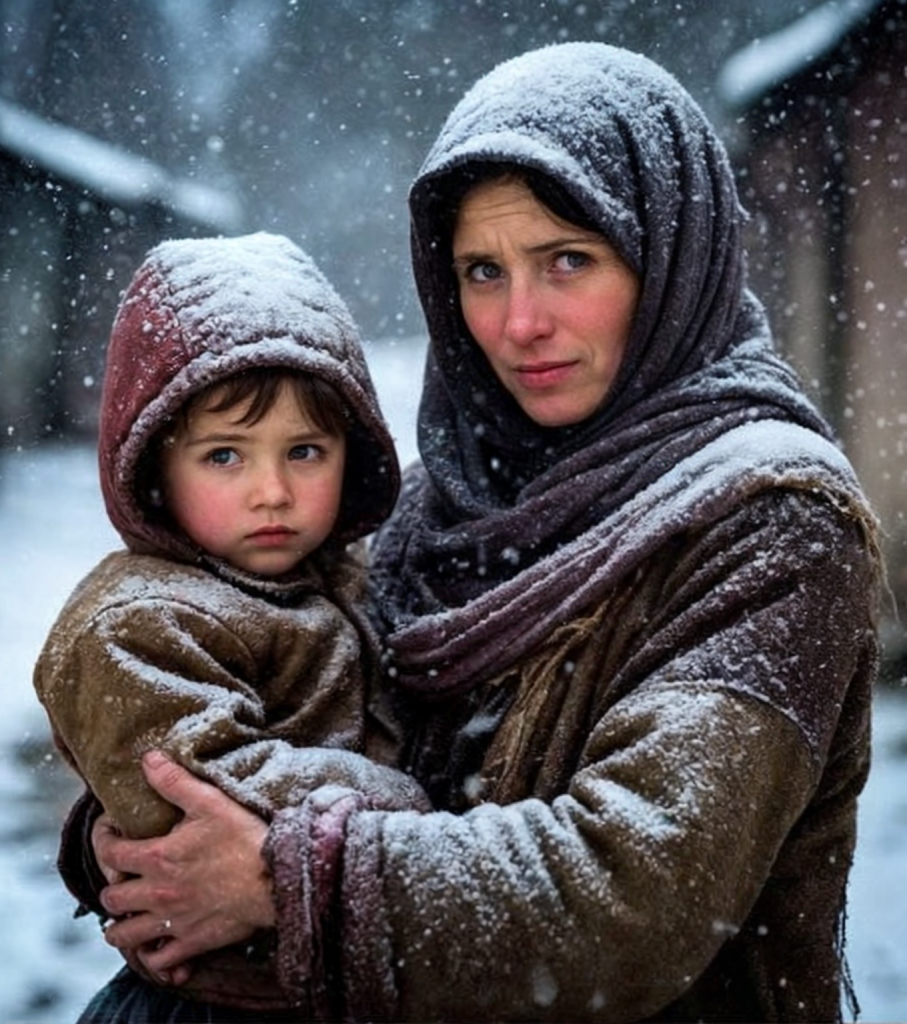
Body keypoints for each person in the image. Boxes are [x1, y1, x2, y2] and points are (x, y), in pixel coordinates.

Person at [66, 42, 882, 1023]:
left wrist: (291, 882)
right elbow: (321, 725)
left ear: (671, 254)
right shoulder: (441, 504)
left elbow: (632, 895)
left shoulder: (773, 524)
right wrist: (145, 840)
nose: (517, 321)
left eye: (567, 261)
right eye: (481, 271)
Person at [34, 231, 428, 1018]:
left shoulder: (351, 577)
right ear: (153, 464)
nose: (272, 491)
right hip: (216, 1003)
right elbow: (205, 800)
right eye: (225, 456)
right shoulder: (134, 625)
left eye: (306, 451)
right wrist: (415, 812)